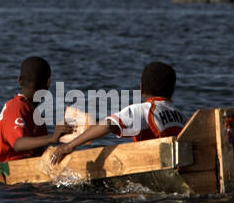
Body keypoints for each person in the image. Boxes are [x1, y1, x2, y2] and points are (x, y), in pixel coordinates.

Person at [46, 61, 188, 165]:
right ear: (173, 90)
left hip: (154, 167)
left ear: (141, 88)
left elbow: (108, 125)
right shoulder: (182, 117)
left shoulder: (142, 110)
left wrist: (69, 146)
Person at [0, 56, 73, 162]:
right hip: (7, 165)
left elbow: (40, 150)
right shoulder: (15, 107)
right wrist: (52, 138)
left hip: (28, 164)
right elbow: (18, 144)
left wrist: (65, 139)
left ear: (19, 80)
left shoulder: (35, 113)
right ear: (48, 84)